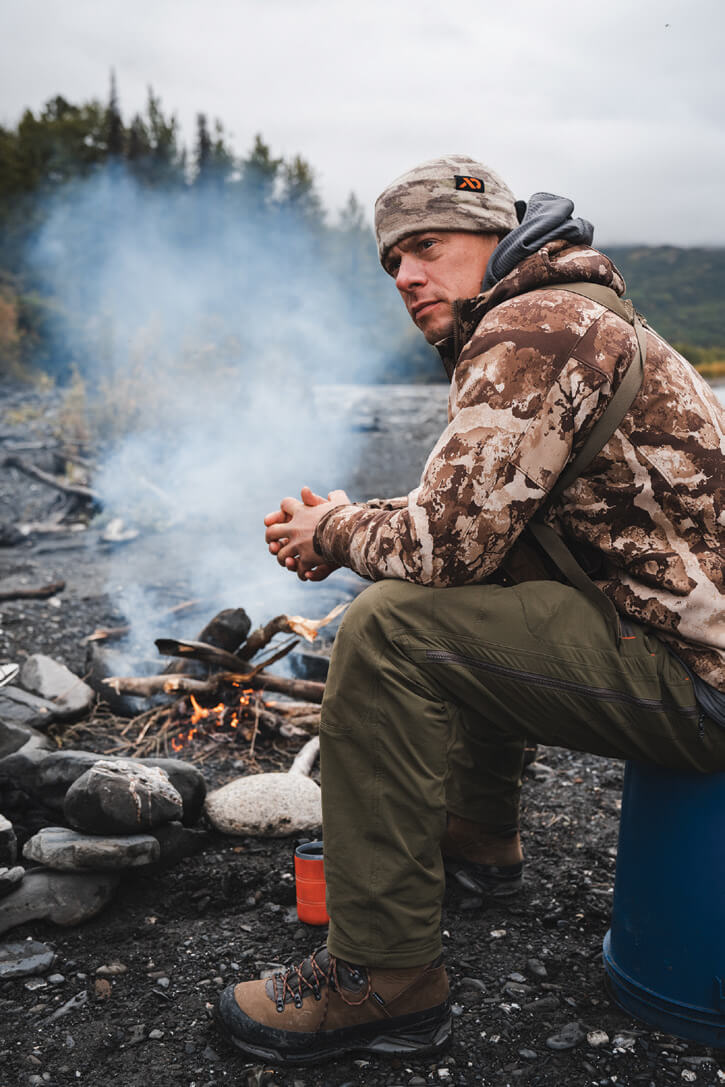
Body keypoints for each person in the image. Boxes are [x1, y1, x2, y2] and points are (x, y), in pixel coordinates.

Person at [216, 156, 725, 1063]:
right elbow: (480, 528)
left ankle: (383, 977)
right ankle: (479, 838)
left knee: (388, 627)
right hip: (691, 647)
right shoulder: (567, 311)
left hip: (699, 679)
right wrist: (359, 522)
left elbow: (442, 544)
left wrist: (330, 529)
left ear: (496, 236)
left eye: (426, 247)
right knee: (469, 587)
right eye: (392, 262)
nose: (406, 276)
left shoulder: (535, 328)